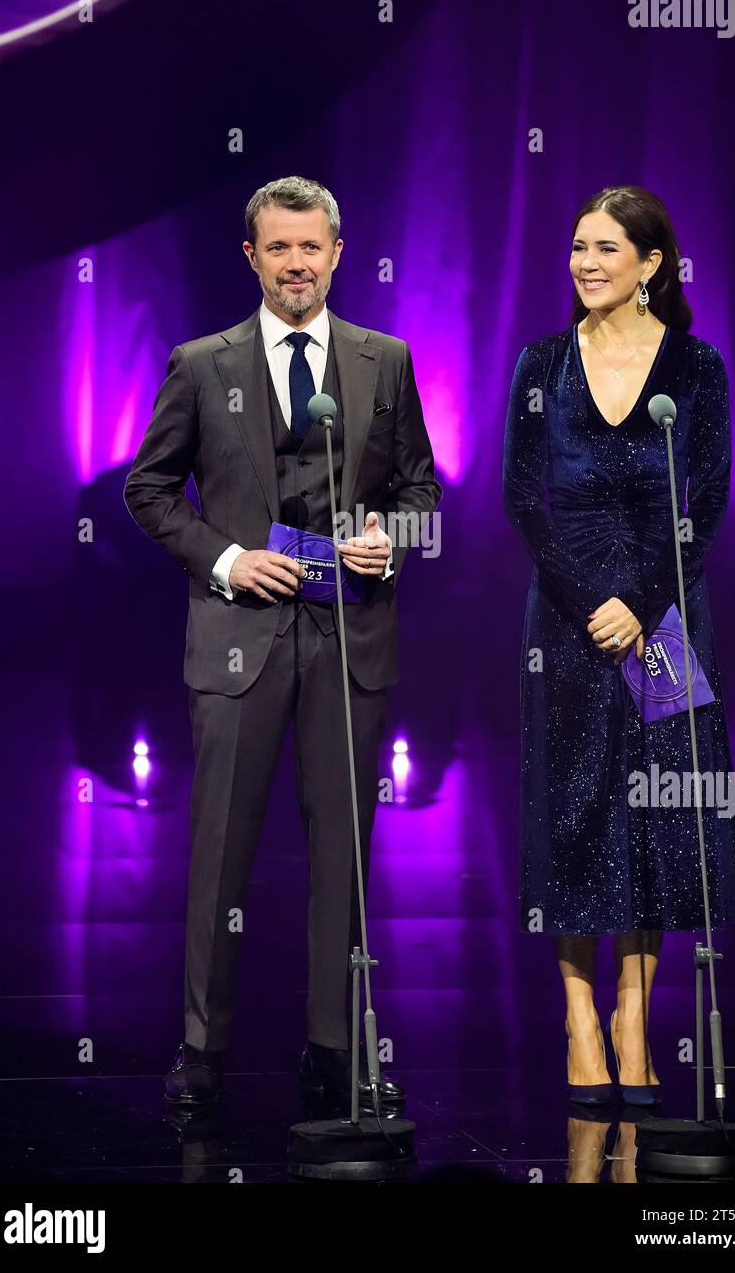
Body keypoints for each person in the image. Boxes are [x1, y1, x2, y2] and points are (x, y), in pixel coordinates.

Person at [125, 175, 441, 1106]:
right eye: (279, 247)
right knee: (219, 850)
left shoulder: (386, 359)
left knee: (344, 852)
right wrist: (225, 558)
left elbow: (422, 490)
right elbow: (148, 491)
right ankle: (203, 1054)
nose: (296, 264)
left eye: (312, 247)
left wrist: (391, 537)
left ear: (337, 254)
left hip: (351, 636)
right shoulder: (201, 363)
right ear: (252, 256)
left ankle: (337, 1052)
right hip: (239, 640)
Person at [502, 185, 735, 1105]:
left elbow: (709, 499)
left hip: (669, 611)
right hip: (566, 617)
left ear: (652, 264)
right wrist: (593, 602)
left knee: (654, 812)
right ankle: (576, 1016)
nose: (587, 263)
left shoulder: (697, 367)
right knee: (574, 806)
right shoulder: (540, 364)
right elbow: (522, 501)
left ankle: (634, 1014)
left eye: (607, 249)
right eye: (577, 248)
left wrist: (643, 602)